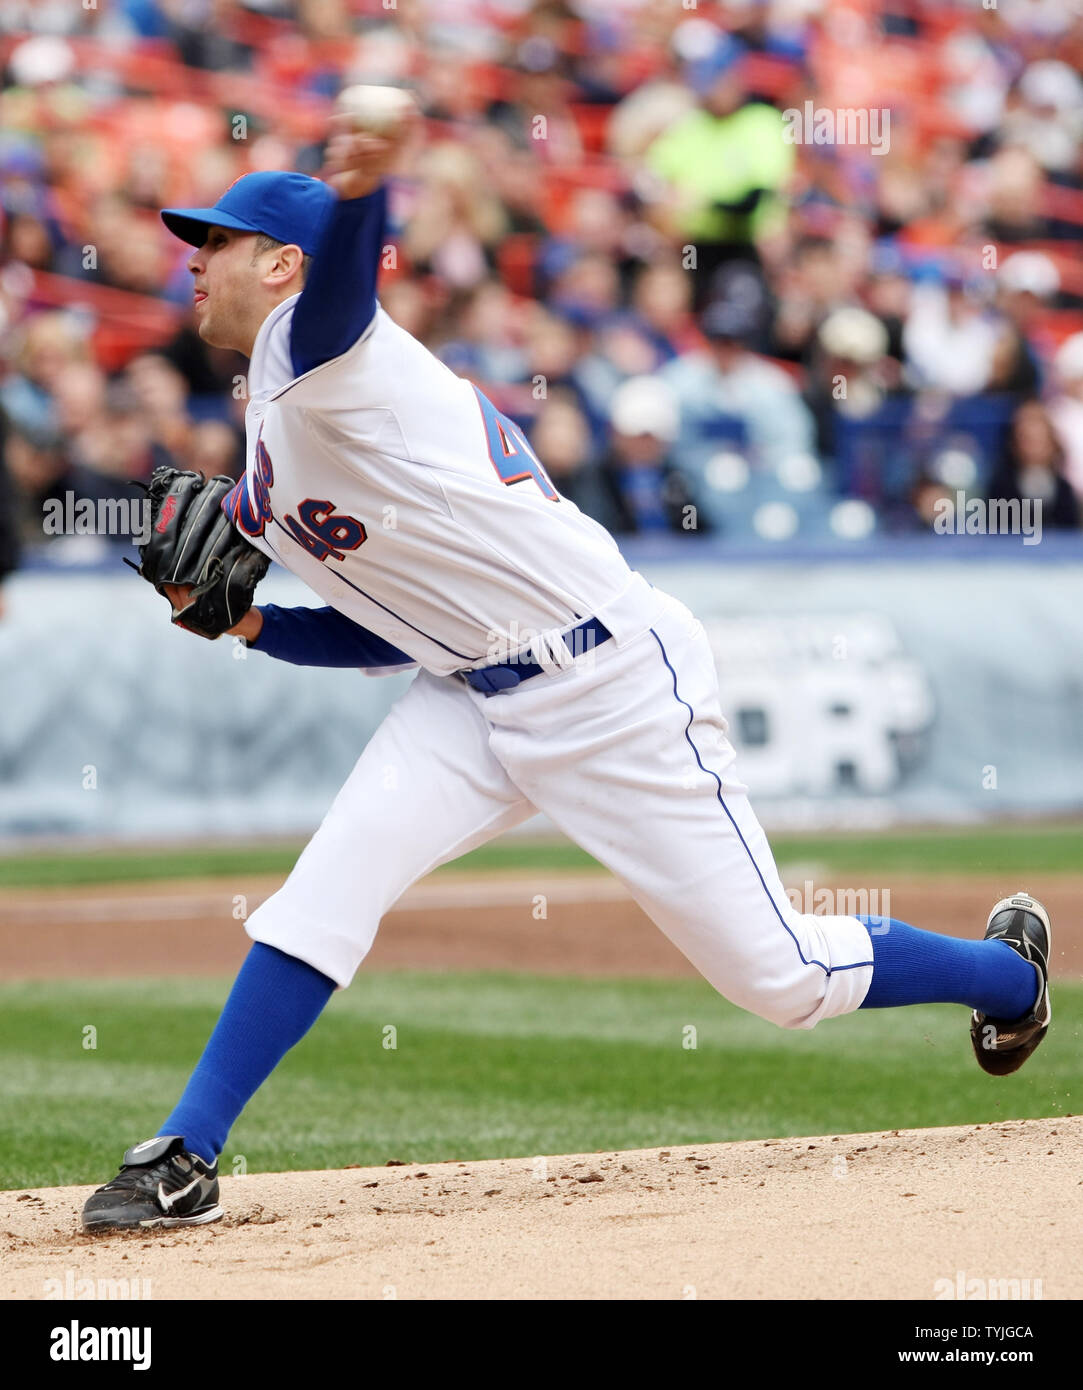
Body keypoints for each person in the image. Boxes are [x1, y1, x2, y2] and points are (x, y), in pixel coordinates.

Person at [81, 117, 1053, 1232]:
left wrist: (362, 189)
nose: (192, 260)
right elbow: (396, 632)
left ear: (284, 263)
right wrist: (253, 625)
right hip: (469, 695)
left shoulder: (329, 349)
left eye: (218, 240)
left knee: (780, 978)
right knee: (325, 891)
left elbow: (349, 282)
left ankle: (1007, 977)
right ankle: (185, 1153)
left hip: (613, 685)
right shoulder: (270, 441)